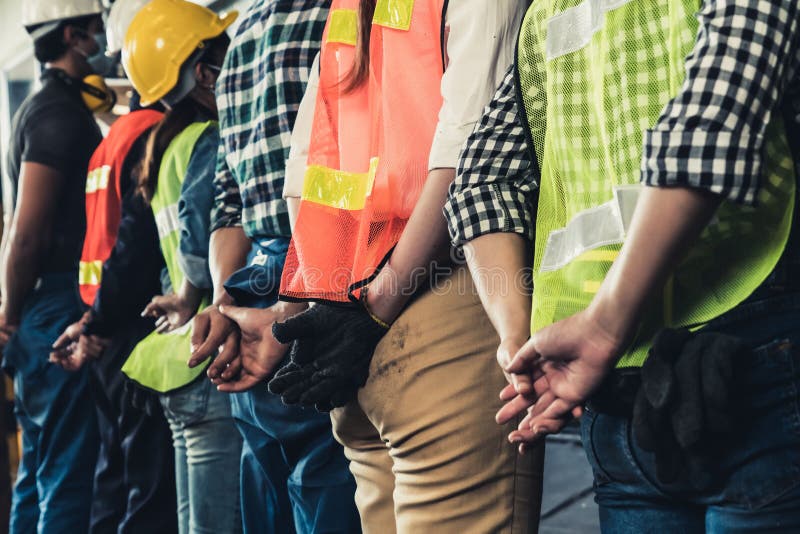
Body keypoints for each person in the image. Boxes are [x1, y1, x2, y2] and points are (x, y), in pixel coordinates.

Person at [446, 0, 800, 531]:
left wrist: (521, 340)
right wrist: (560, 338)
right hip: (736, 357)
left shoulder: (553, 10)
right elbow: (715, 114)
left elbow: (480, 183)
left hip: (624, 384)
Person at [221, 1, 543, 532]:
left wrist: (312, 306)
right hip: (444, 306)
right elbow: (469, 157)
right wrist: (370, 309)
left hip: (353, 317)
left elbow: (306, 176)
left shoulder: (348, 13)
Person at [186, 1, 360, 532]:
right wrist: (298, 301)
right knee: (330, 480)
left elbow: (228, 203)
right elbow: (352, 170)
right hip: (324, 263)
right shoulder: (338, 12)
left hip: (251, 281)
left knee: (270, 486)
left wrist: (224, 304)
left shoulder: (242, 36)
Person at [48, 3, 178, 532]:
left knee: (115, 478)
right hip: (131, 327)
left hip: (104, 324)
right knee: (147, 490)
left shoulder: (113, 138)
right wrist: (101, 323)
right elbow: (133, 244)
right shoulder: (155, 133)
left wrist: (92, 321)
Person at [116, 0, 243, 531]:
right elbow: (198, 245)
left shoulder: (165, 149)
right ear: (203, 71)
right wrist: (195, 293)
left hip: (173, 356)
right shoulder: (210, 139)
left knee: (194, 521)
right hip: (209, 350)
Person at [0, 1, 107, 531]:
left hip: (41, 306)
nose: (103, 39)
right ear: (71, 35)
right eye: (96, 29)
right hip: (56, 305)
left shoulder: (41, 108)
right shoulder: (56, 115)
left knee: (38, 471)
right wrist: (10, 313)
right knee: (66, 475)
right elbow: (26, 233)